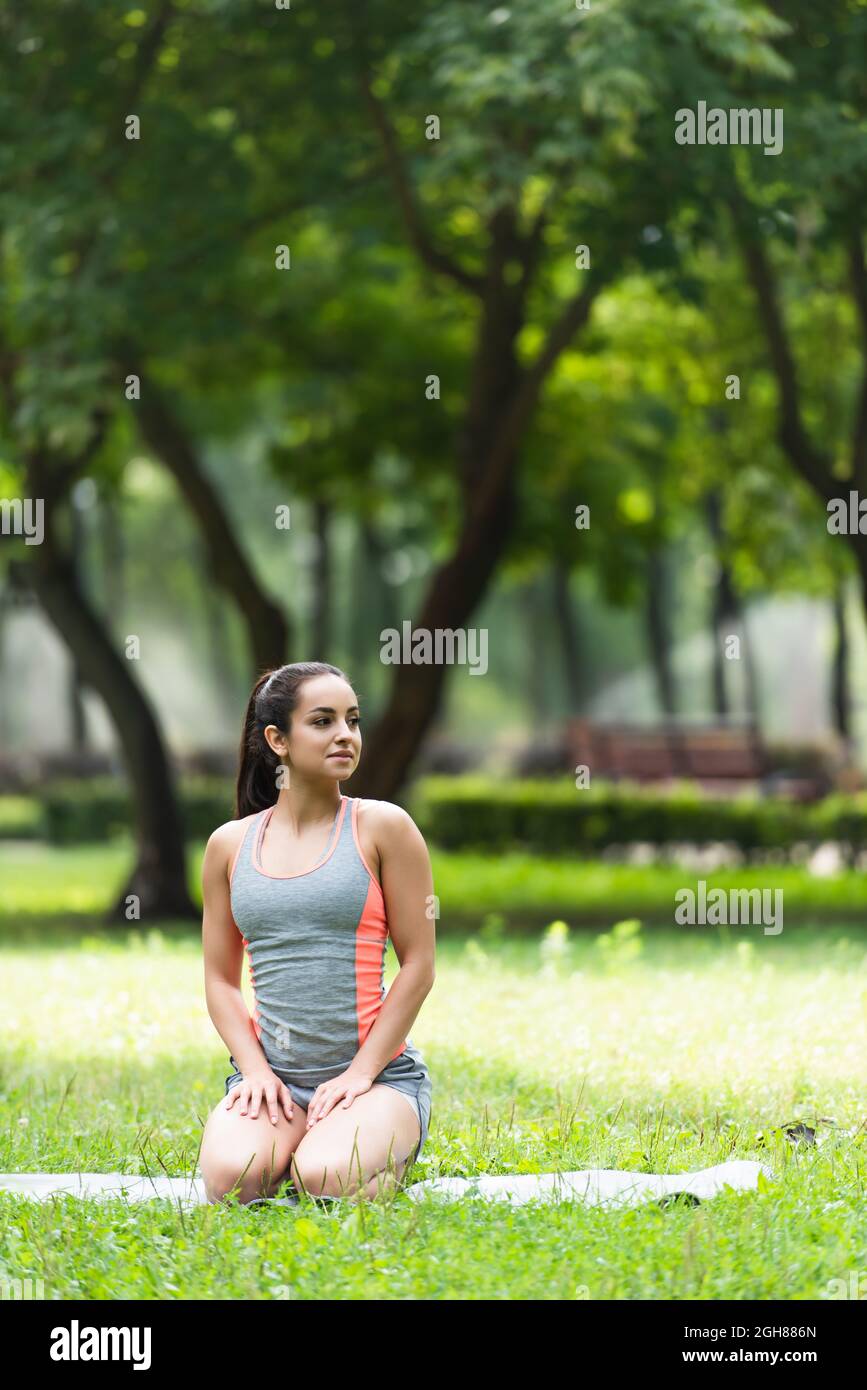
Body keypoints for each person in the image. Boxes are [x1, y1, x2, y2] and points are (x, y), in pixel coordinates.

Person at [198, 661, 436, 1206]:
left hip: (378, 1080)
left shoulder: (384, 828)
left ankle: (353, 1151)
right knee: (233, 1181)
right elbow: (219, 980)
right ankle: (298, 1143)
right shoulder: (229, 846)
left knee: (323, 1178)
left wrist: (359, 1075)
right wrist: (254, 1073)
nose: (345, 736)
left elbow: (419, 966)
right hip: (273, 1081)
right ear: (277, 740)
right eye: (323, 721)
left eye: (352, 720)